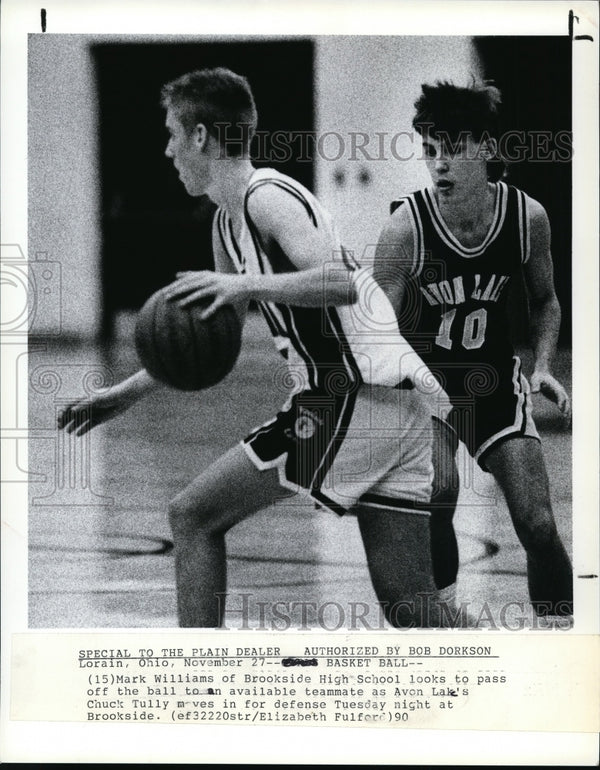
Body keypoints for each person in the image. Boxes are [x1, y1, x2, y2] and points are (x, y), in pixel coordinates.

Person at [59, 67, 457, 629]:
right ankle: (521, 666)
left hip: (348, 398)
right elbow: (207, 341)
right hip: (391, 409)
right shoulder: (226, 222)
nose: (168, 149)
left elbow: (345, 281)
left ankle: (201, 688)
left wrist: (243, 284)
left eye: (174, 132)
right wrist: (124, 394)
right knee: (411, 607)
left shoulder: (267, 198)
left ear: (201, 137)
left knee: (193, 516)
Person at [374, 80, 573, 620]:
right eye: (430, 152)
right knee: (440, 490)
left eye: (452, 149)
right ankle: (449, 627)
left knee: (537, 523)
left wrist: (543, 368)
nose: (438, 166)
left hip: (492, 378)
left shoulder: (526, 217)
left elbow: (546, 302)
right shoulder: (406, 226)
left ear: (484, 148)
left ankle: (563, 636)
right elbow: (377, 325)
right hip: (427, 384)